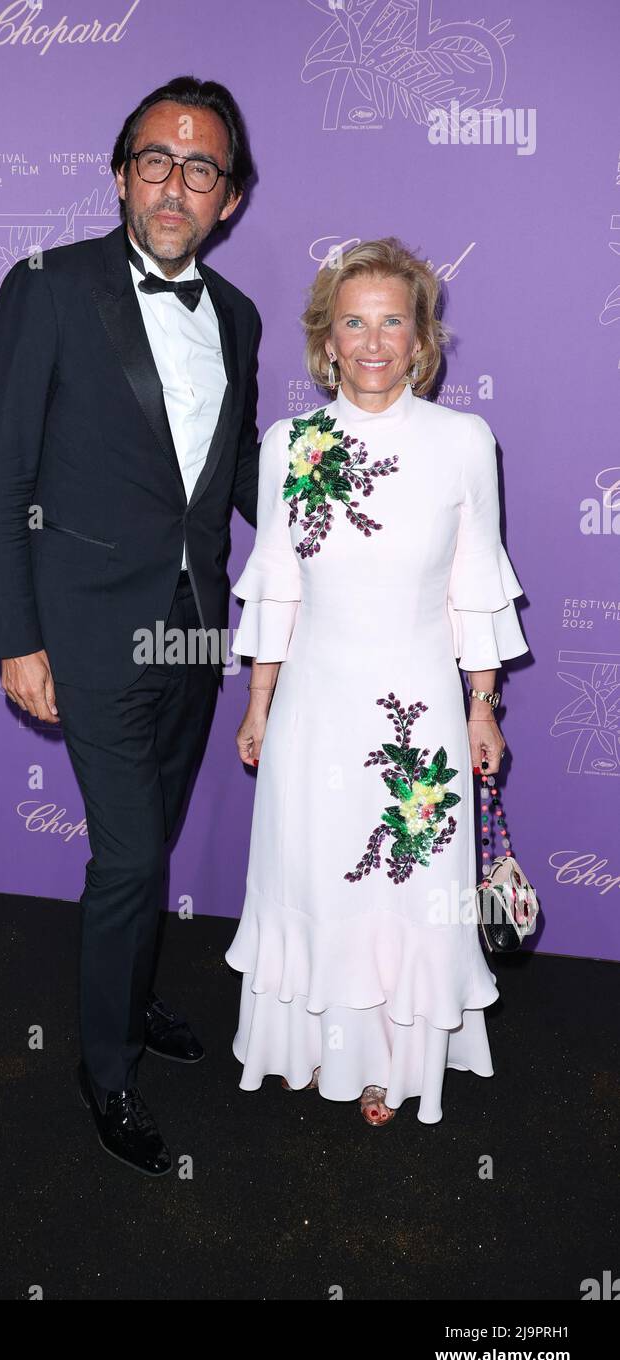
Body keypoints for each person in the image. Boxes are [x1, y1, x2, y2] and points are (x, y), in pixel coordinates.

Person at [0, 76, 261, 1175]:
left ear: (227, 198)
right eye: (155, 159)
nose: (175, 184)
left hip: (192, 632)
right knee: (131, 854)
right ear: (120, 172)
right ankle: (105, 1070)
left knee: (153, 846)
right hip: (84, 629)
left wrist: (334, 516)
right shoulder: (43, 287)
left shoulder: (235, 314)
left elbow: (230, 473)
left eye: (201, 168)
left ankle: (134, 1006)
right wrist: (14, 635)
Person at [227, 237, 529, 1125]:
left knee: (399, 884)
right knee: (314, 872)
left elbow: (475, 588)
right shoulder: (291, 443)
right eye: (352, 322)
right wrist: (257, 702)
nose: (371, 340)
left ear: (421, 338)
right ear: (326, 339)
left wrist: (482, 707)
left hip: (418, 715)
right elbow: (276, 581)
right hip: (313, 707)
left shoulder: (464, 442)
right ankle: (307, 1042)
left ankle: (388, 1061)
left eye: (391, 322)